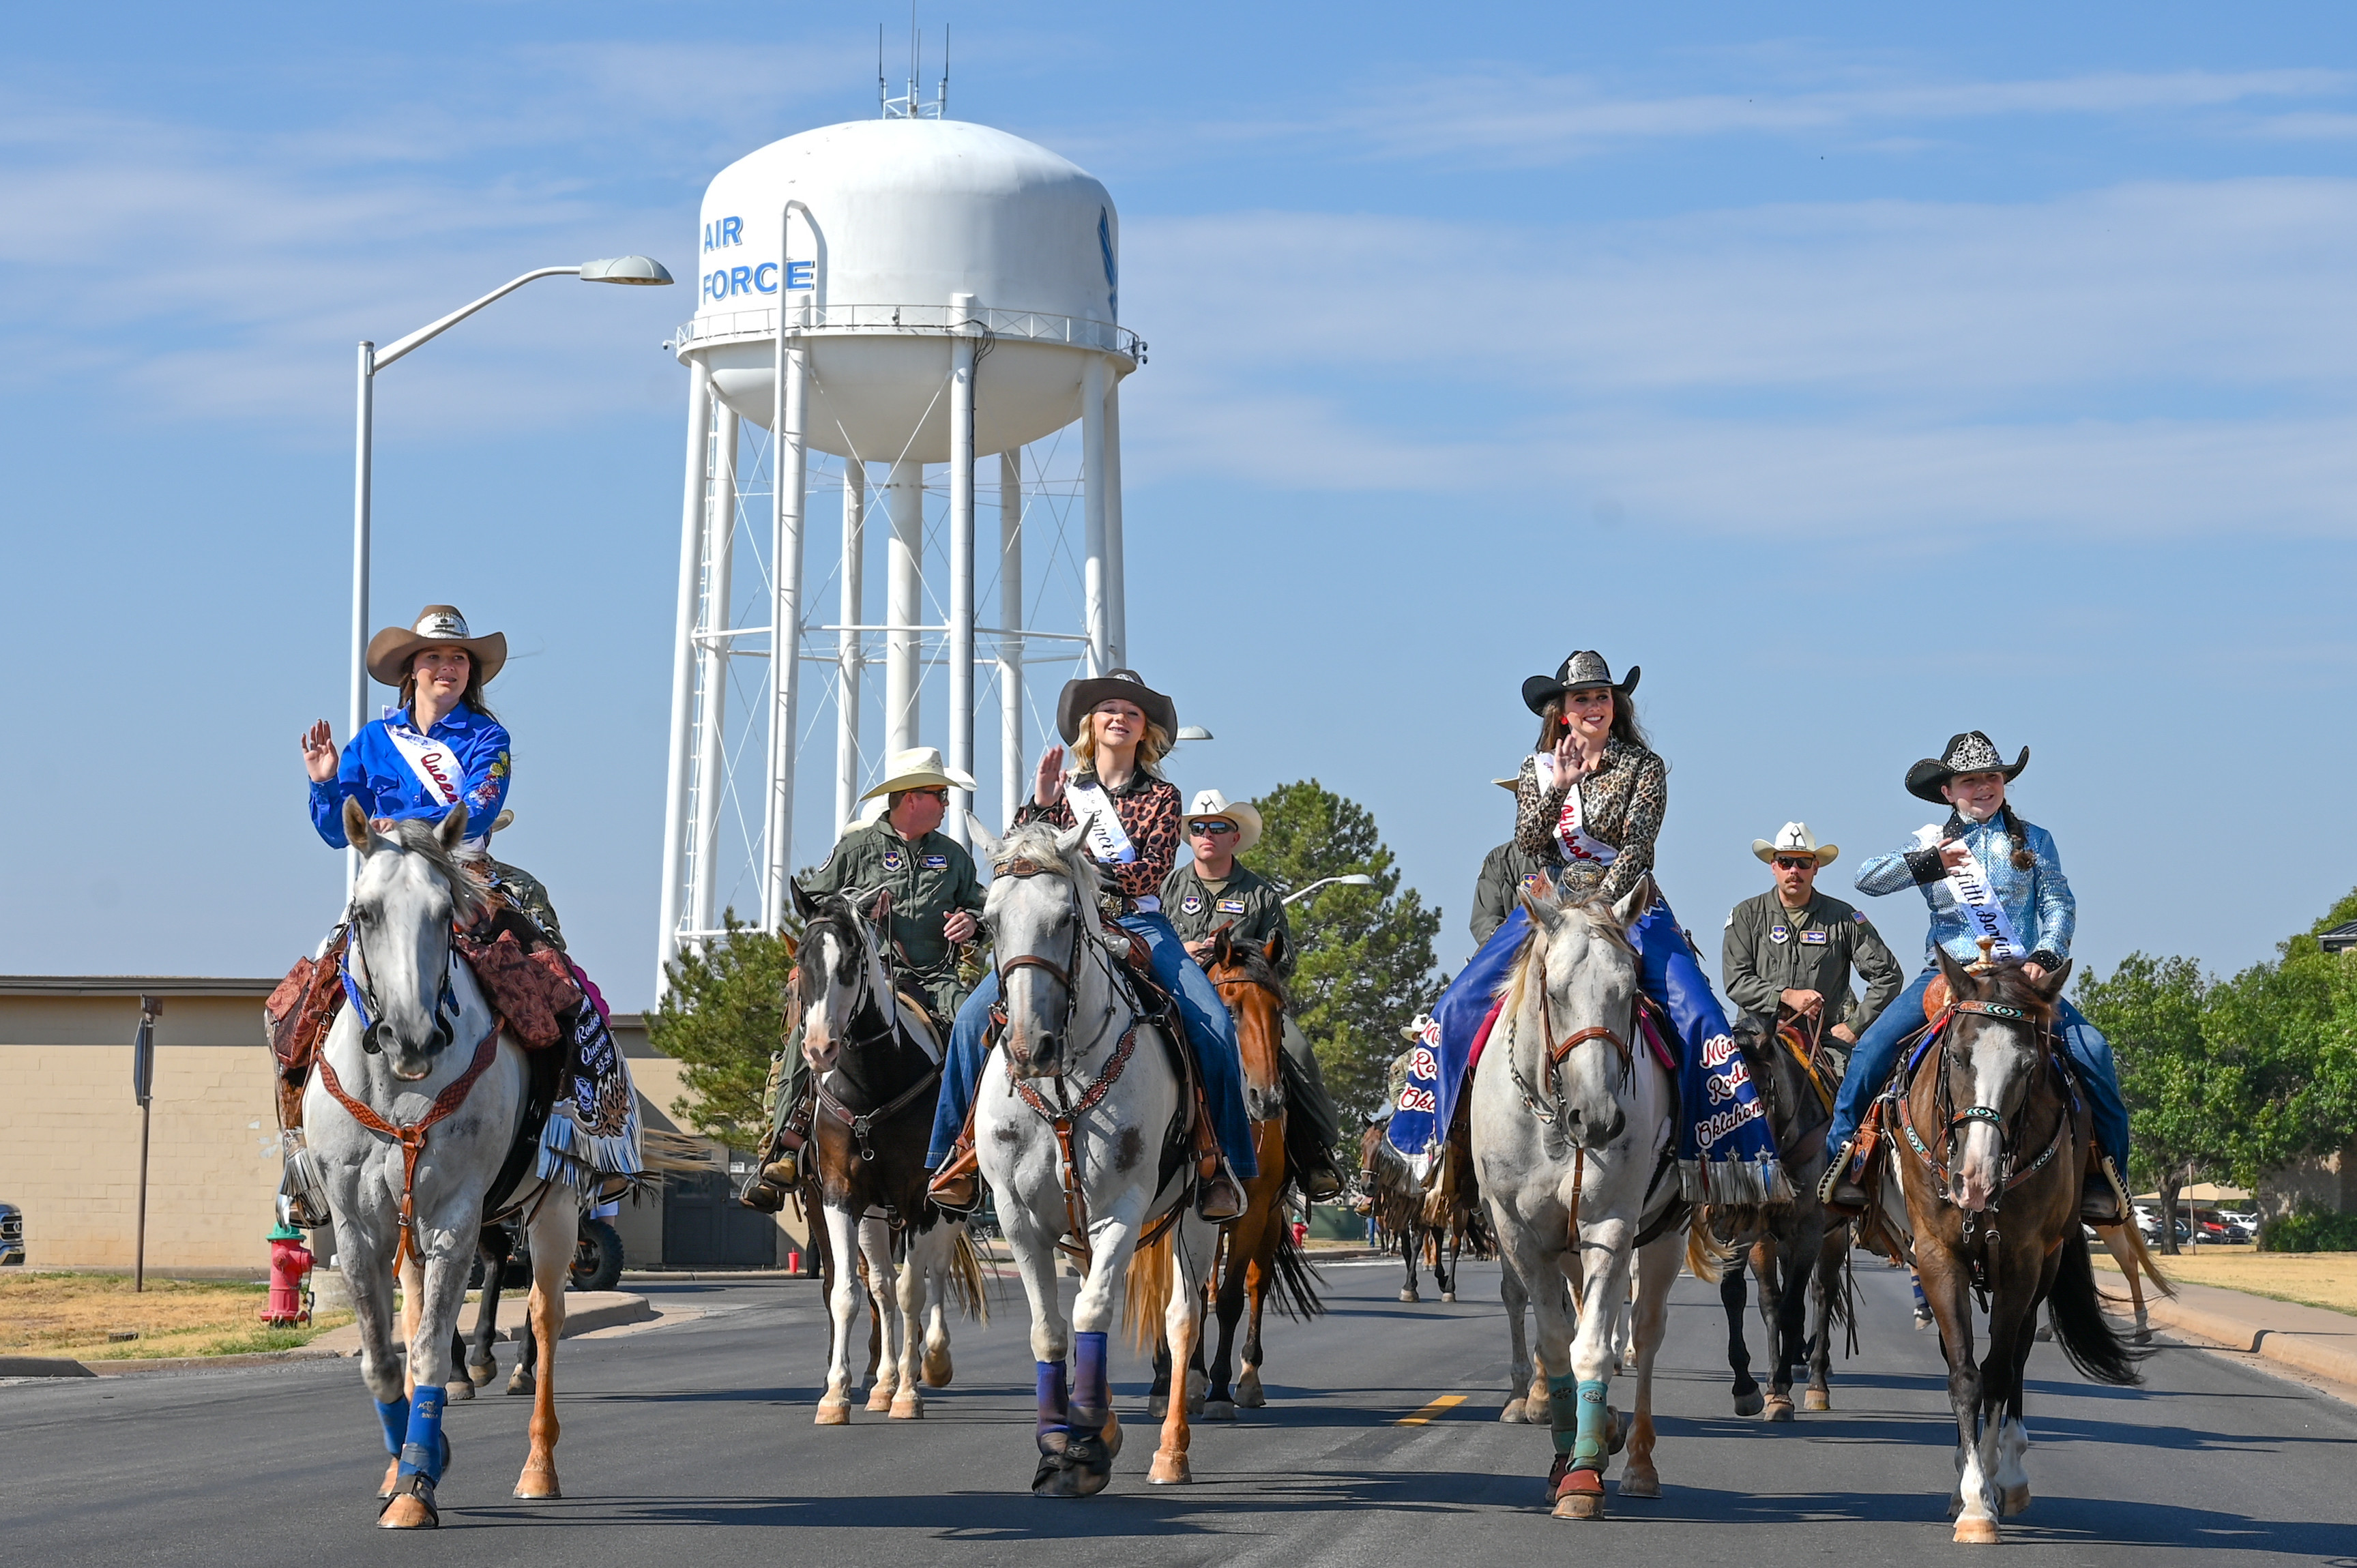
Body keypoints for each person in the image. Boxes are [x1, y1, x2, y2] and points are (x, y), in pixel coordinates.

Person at [1389, 651, 1783, 1203]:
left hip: (1628, 903)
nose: (1593, 706)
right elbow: (1528, 842)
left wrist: (1601, 907)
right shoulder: (1536, 768)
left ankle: (1728, 1160)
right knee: (1455, 1004)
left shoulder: (1643, 766)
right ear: (1562, 711)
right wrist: (1561, 784)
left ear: (1614, 705)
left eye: (1601, 696)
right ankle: (1426, 1152)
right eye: (1581, 698)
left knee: (1701, 1014)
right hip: (1550, 904)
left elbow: (1639, 847)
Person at [926, 670, 1252, 1222]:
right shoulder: (1063, 792)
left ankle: (1220, 1164)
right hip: (1058, 926)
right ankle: (953, 1156)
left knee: (1215, 1025)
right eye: (1108, 710)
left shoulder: (1161, 796)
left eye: (1130, 711)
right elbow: (1018, 860)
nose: (1119, 718)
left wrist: (1079, 868)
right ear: (1091, 724)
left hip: (1136, 925)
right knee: (969, 1022)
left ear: (1143, 728)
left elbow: (1148, 873)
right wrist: (1039, 803)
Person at [1818, 732, 2130, 1224]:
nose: (1982, 786)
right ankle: (1846, 1161)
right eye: (1969, 780)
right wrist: (1930, 863)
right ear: (1947, 791)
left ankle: (2105, 1177)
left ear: (2003, 783)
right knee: (1871, 1048)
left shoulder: (2035, 839)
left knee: (2093, 1051)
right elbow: (1866, 878)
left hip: (2019, 979)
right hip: (1947, 979)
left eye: (1991, 777)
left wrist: (2046, 954)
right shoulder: (1930, 843)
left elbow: (2057, 904)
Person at [742, 748, 986, 1210]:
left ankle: (973, 1153)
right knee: (808, 1038)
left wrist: (973, 922)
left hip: (937, 979)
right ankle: (784, 1149)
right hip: (865, 979)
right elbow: (812, 904)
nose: (946, 803)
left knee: (981, 1033)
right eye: (940, 794)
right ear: (911, 798)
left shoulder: (952, 856)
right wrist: (843, 921)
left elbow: (981, 905)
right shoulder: (856, 849)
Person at [1162, 788, 1347, 1202]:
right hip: (1179, 999)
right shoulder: (1167, 888)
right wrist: (1183, 951)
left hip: (1244, 1007)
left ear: (1235, 838)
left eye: (1218, 827)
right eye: (1199, 828)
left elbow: (1286, 959)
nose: (1207, 834)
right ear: (1189, 836)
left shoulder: (1261, 895)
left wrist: (1244, 958)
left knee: (1297, 1050)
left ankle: (1315, 1153)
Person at [1721, 821, 1903, 1050]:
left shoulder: (1844, 917)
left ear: (1816, 867)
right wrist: (1787, 996)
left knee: (1860, 1082)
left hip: (1822, 1042)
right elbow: (1737, 981)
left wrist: (1855, 1026)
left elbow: (1889, 975)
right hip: (1756, 1040)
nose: (1794, 870)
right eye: (1786, 862)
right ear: (1773, 866)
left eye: (1803, 862)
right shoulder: (1746, 915)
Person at [1469, 776, 1552, 948]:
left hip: (1574, 951)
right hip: (1513, 952)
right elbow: (1485, 921)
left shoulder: (1588, 856)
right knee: (1473, 975)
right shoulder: (1500, 860)